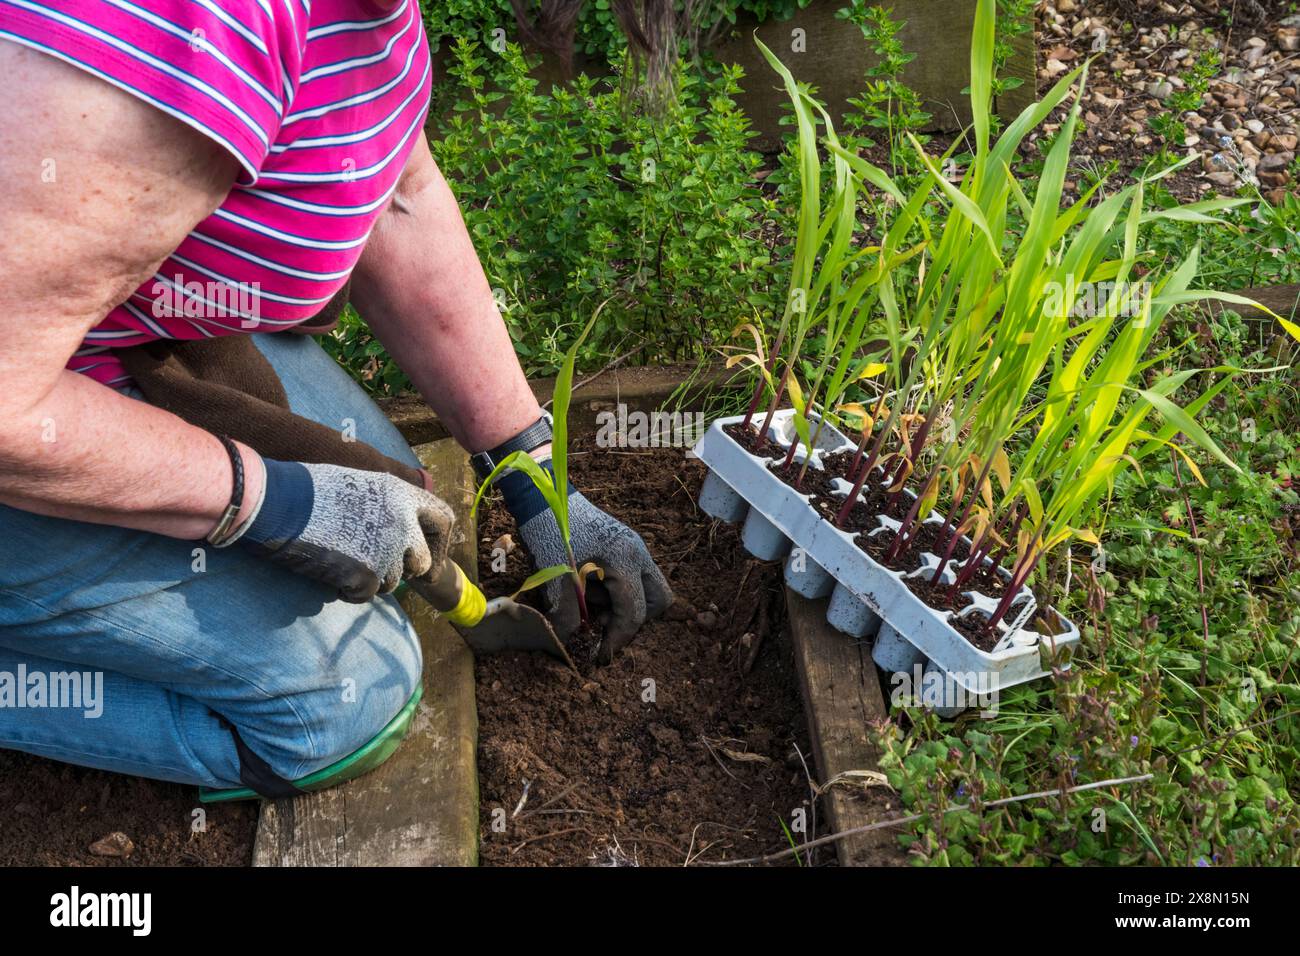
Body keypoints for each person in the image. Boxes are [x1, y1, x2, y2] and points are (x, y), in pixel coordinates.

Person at [0, 0, 673, 797]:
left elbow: (397, 189)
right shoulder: (189, 24)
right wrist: (277, 503)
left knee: (390, 482)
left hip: (123, 346)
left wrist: (536, 482)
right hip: (28, 412)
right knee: (346, 701)